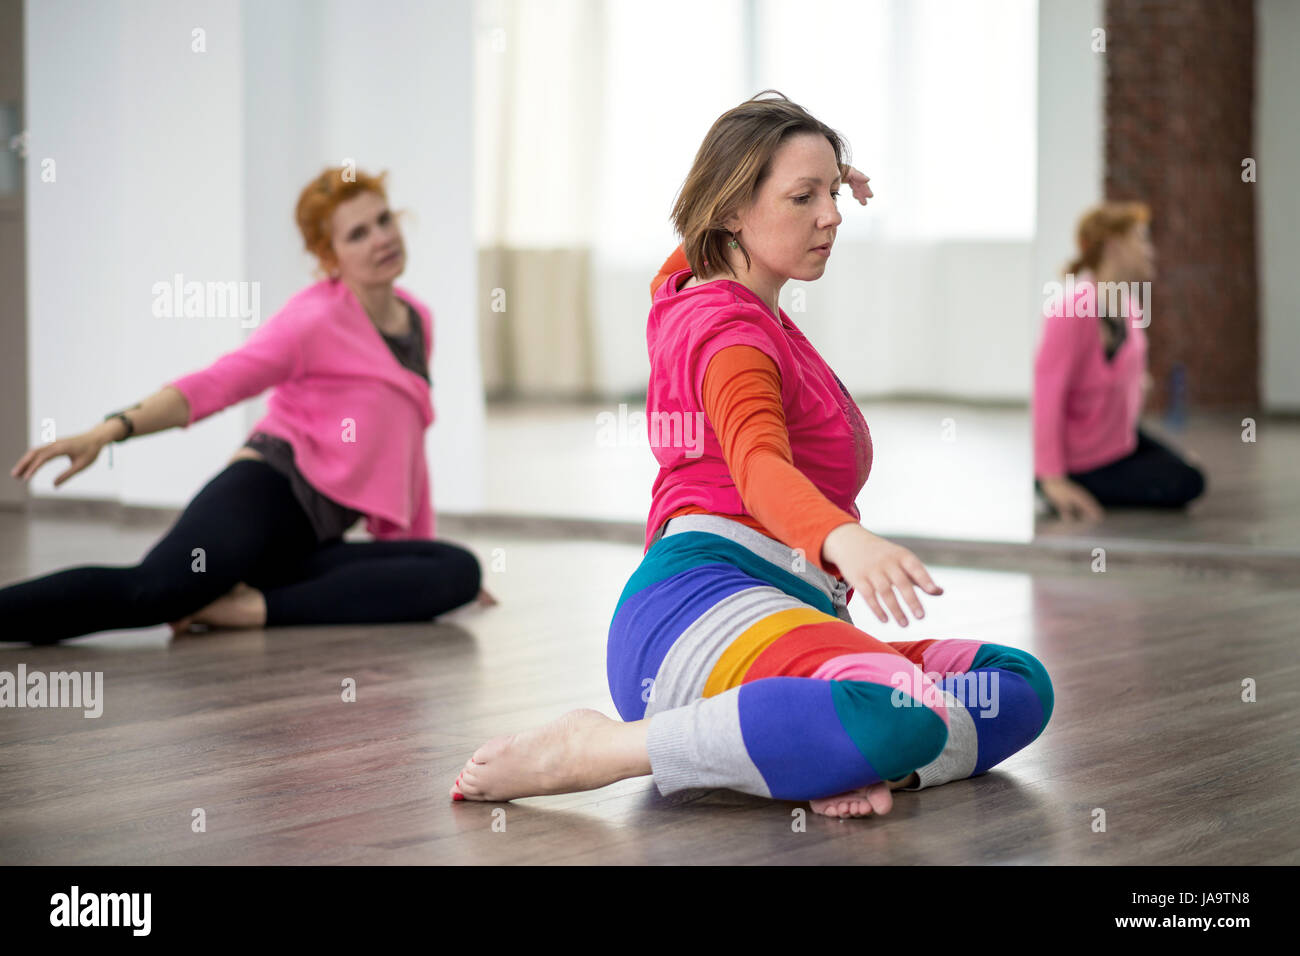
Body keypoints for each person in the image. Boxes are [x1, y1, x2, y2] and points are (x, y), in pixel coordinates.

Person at [449, 91, 1054, 819]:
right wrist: (843, 537)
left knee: (1016, 683)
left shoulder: (706, 290)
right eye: (804, 197)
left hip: (789, 610)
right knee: (903, 711)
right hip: (693, 614)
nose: (831, 214)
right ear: (734, 211)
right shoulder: (725, 329)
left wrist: (822, 171)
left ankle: (842, 754)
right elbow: (757, 466)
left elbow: (690, 243)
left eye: (833, 193)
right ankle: (601, 750)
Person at [3, 167, 484, 644]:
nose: (381, 239)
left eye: (383, 220)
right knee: (150, 591)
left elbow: (409, 445)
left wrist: (415, 553)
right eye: (357, 234)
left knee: (458, 570)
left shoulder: (418, 319)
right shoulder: (313, 320)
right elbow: (218, 383)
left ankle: (242, 607)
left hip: (317, 538)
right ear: (328, 255)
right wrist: (111, 430)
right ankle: (230, 604)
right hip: (266, 498)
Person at [1034, 201, 1206, 520]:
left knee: (1189, 471)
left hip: (1119, 440)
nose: (1149, 250)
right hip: (1082, 456)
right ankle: (1060, 482)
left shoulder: (1129, 307)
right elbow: (1047, 397)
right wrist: (1053, 479)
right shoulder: (1070, 310)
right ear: (1114, 246)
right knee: (1188, 482)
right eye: (1140, 239)